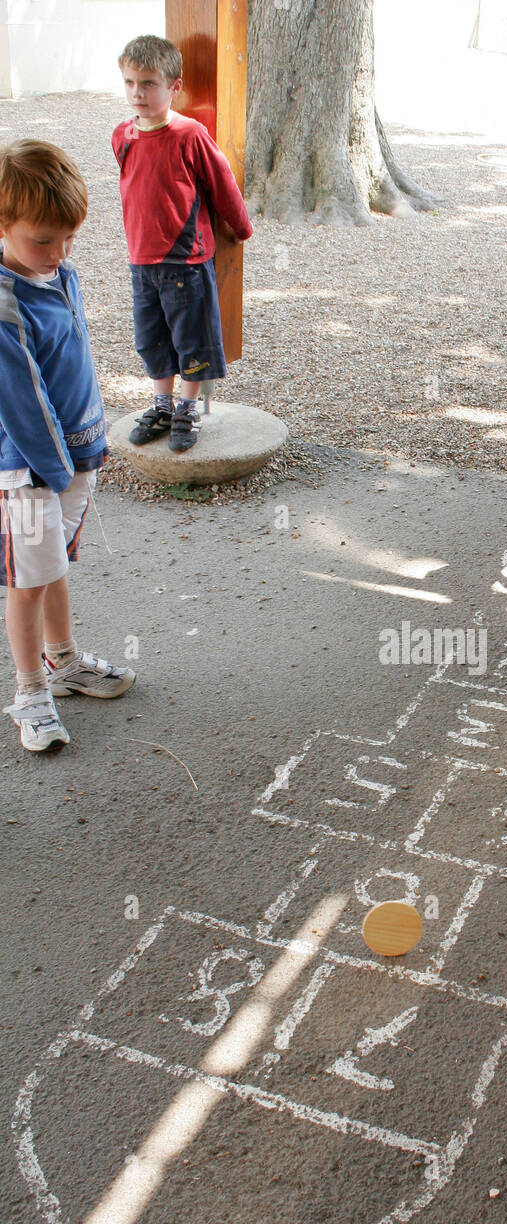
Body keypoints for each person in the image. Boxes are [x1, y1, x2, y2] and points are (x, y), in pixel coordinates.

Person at [0, 140, 135, 752]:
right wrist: (59, 470)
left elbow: (73, 364)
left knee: (55, 565)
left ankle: (64, 660)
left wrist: (91, 448)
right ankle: (30, 691)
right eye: (42, 240)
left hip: (75, 459)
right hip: (32, 474)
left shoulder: (61, 272)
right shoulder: (4, 306)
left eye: (68, 238)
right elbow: (25, 403)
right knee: (28, 580)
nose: (58, 253)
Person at [113, 35, 253, 453]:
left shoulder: (190, 135)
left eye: (149, 83)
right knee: (151, 337)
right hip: (141, 260)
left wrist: (241, 227)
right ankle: (161, 404)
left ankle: (188, 409)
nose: (138, 92)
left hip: (185, 261)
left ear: (174, 86)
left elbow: (221, 183)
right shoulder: (122, 136)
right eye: (130, 82)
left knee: (191, 338)